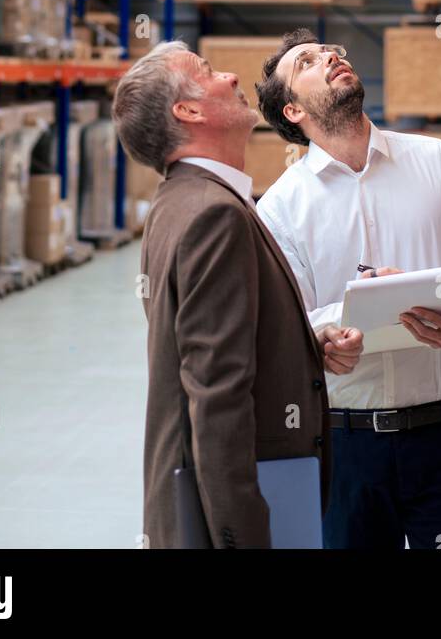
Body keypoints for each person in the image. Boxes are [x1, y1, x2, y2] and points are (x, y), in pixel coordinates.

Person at [255, 29, 441, 551]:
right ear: (292, 111)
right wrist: (327, 335)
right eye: (308, 61)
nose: (331, 56)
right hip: (345, 446)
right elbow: (288, 322)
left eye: (331, 51)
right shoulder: (282, 208)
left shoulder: (437, 160)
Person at [112, 39, 364, 549]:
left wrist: (303, 347)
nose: (230, 77)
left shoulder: (181, 202)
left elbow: (217, 344)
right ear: (188, 110)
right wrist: (244, 538)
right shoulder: (215, 215)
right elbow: (216, 396)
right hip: (228, 518)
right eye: (208, 72)